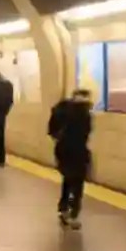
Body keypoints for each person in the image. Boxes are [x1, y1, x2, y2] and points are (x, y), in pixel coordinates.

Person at [48, 89, 93, 229]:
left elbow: (52, 130)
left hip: (62, 150)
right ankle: (73, 213)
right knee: (78, 183)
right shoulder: (84, 114)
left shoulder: (61, 110)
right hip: (77, 151)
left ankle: (64, 208)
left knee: (68, 180)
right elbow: (85, 133)